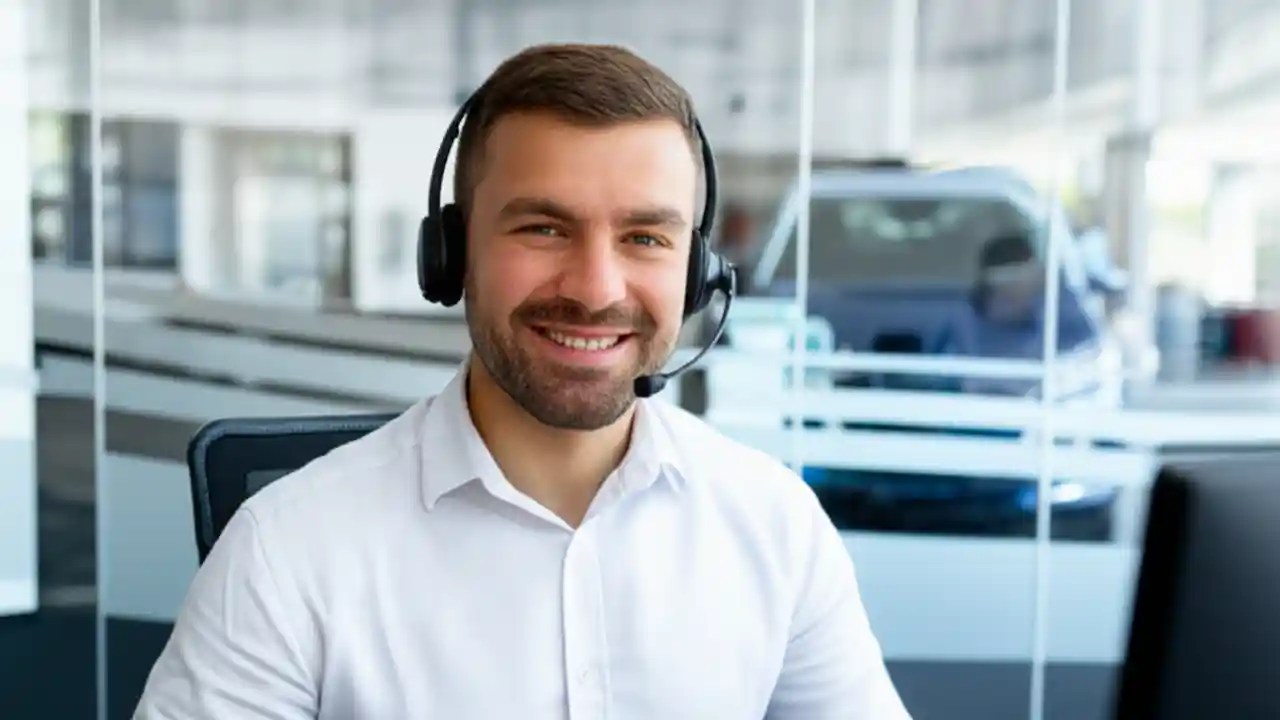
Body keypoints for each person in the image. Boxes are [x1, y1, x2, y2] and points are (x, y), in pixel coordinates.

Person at [134, 43, 910, 719]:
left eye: (646, 236)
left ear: (698, 272)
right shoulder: (288, 551)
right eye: (543, 228)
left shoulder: (774, 527)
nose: (597, 287)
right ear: (452, 253)